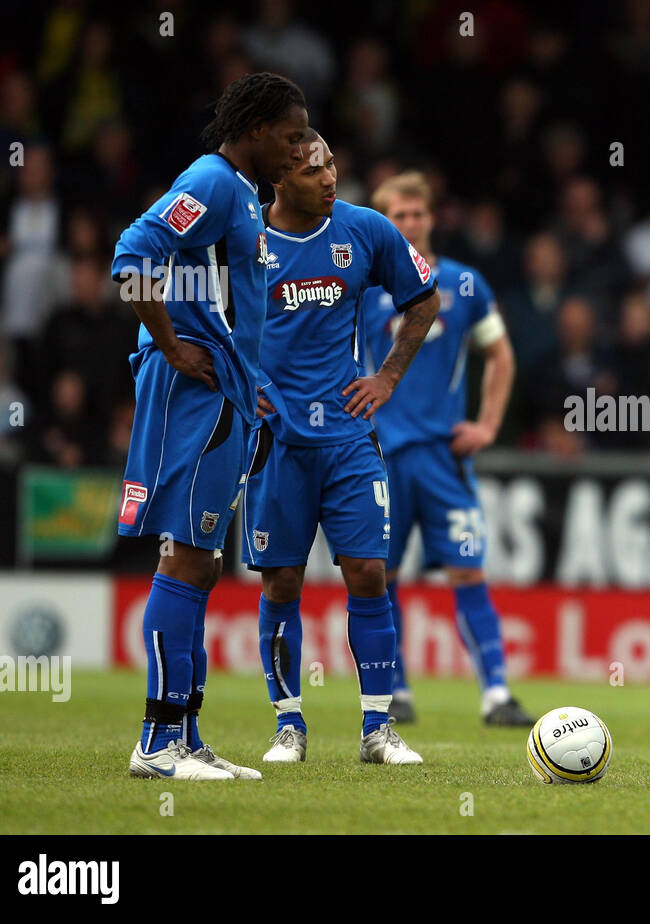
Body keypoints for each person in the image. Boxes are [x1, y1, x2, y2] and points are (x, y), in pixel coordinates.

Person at [113, 72, 308, 781]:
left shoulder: (245, 199)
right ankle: (156, 743)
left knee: (204, 558)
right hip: (191, 394)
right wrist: (168, 344)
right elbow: (132, 257)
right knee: (187, 557)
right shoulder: (215, 181)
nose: (299, 149)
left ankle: (186, 736)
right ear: (255, 129)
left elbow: (226, 307)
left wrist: (249, 382)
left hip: (224, 397)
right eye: (290, 136)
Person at [244, 136, 440, 764]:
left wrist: (385, 378)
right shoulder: (244, 238)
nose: (329, 176)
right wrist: (242, 381)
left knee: (369, 573)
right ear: (280, 178)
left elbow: (423, 299)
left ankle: (377, 729)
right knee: (282, 580)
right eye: (311, 170)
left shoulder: (365, 229)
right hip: (276, 441)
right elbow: (206, 312)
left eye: (331, 162)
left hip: (350, 439)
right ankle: (288, 725)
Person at [364, 172, 531, 727]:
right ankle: (396, 691)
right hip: (379, 454)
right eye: (398, 216)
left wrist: (486, 426)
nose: (410, 224)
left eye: (418, 214)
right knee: (380, 578)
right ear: (383, 221)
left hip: (444, 456)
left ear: (432, 217)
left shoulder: (463, 284)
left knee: (468, 571)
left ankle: (497, 695)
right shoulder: (363, 286)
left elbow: (501, 356)